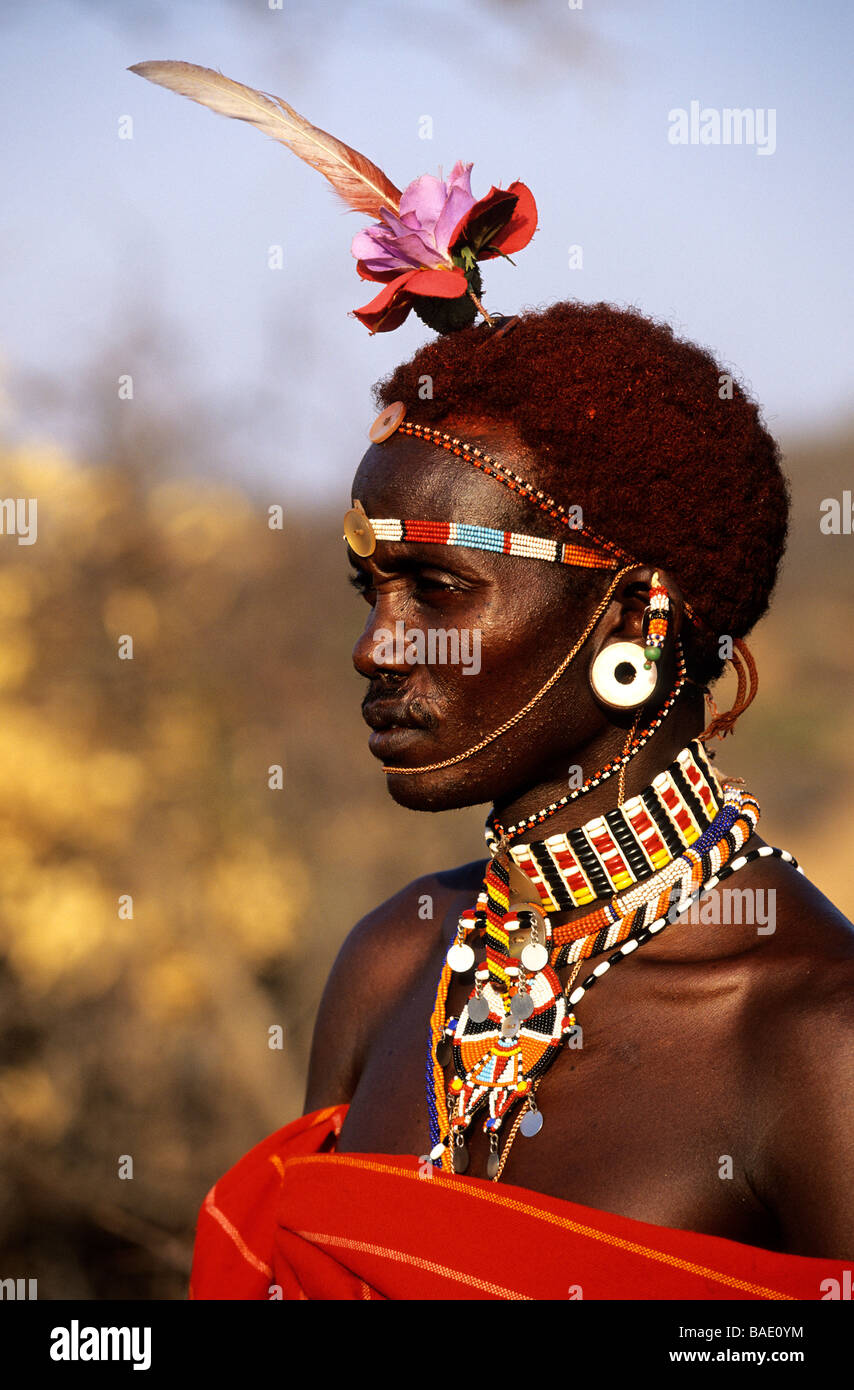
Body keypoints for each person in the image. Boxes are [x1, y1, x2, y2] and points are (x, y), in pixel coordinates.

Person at [127, 61, 853, 1299]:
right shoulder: (390, 964)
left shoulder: (807, 1035)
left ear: (630, 612)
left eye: (437, 591)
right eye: (370, 593)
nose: (375, 645)